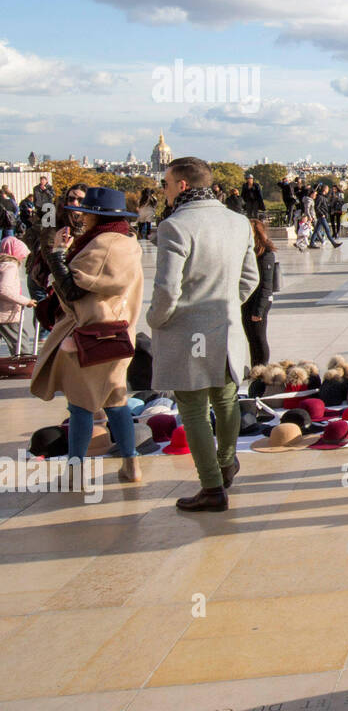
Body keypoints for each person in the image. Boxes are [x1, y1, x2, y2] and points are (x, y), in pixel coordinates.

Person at [149, 158, 259, 510]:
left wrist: (156, 319)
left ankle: (211, 487)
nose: (163, 191)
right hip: (226, 327)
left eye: (166, 184)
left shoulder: (175, 226)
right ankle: (226, 464)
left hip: (186, 332)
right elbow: (250, 279)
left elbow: (167, 289)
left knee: (194, 411)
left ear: (182, 186)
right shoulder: (238, 222)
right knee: (226, 400)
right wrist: (225, 306)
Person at [30, 188, 144, 484]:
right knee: (115, 401)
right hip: (118, 334)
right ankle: (131, 464)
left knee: (80, 405)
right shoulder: (128, 242)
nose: (81, 214)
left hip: (90, 333)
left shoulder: (103, 245)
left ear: (98, 215)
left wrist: (56, 255)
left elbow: (73, 290)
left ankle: (75, 471)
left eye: (86, 210)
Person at [242, 217, 277, 368]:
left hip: (259, 301)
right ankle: (255, 366)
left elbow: (266, 285)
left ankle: (262, 366)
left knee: (259, 337)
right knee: (251, 337)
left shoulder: (266, 254)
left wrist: (259, 310)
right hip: (248, 300)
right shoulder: (249, 252)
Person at [0, 236, 36, 354]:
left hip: (4, 312)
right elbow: (4, 289)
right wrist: (26, 301)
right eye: (22, 253)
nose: (24, 257)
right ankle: (24, 369)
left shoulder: (3, 264)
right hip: (7, 314)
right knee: (21, 346)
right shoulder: (9, 265)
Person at [309, 184, 340, 249]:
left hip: (323, 215)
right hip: (321, 216)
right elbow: (317, 207)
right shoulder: (320, 197)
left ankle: (311, 243)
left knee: (316, 230)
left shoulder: (322, 197)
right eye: (327, 189)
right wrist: (321, 214)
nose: (328, 190)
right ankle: (333, 243)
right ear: (325, 190)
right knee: (327, 229)